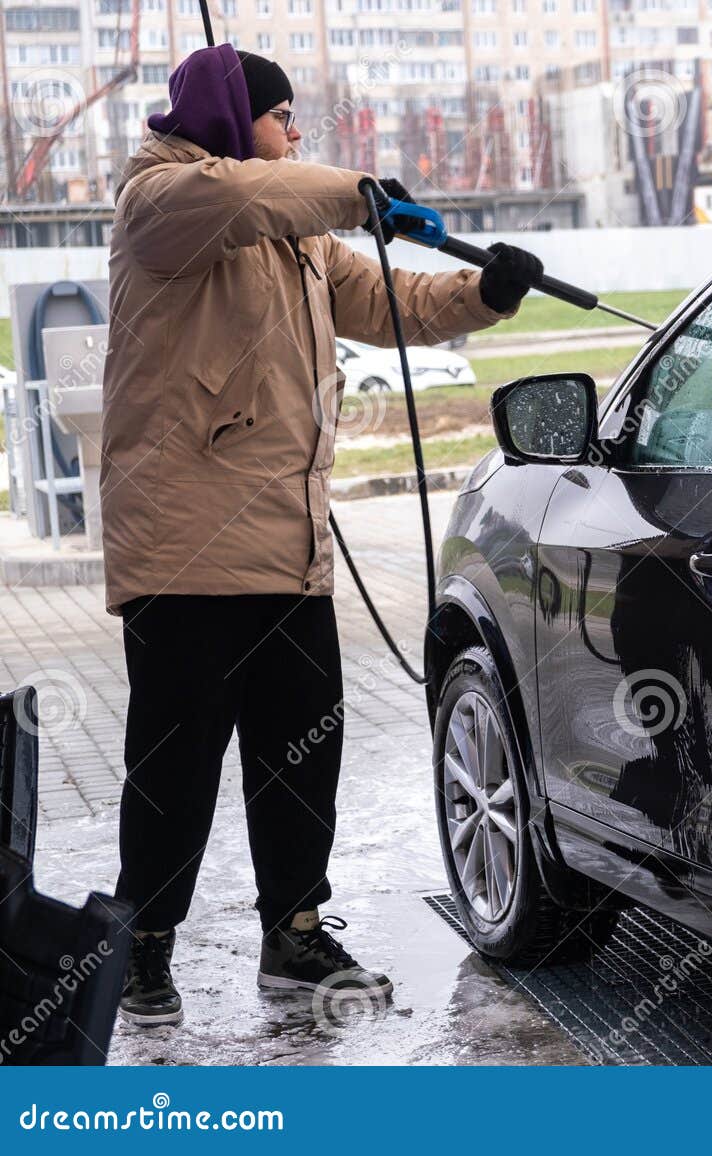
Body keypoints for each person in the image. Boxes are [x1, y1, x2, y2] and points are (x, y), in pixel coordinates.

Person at [100, 45, 544, 1027]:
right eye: (282, 116)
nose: (296, 133)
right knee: (176, 763)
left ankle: (293, 935)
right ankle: (138, 947)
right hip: (186, 552)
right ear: (231, 119)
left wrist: (485, 294)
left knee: (301, 751)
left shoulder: (292, 235)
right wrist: (358, 190)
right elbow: (248, 196)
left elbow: (388, 301)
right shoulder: (163, 201)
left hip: (285, 548)